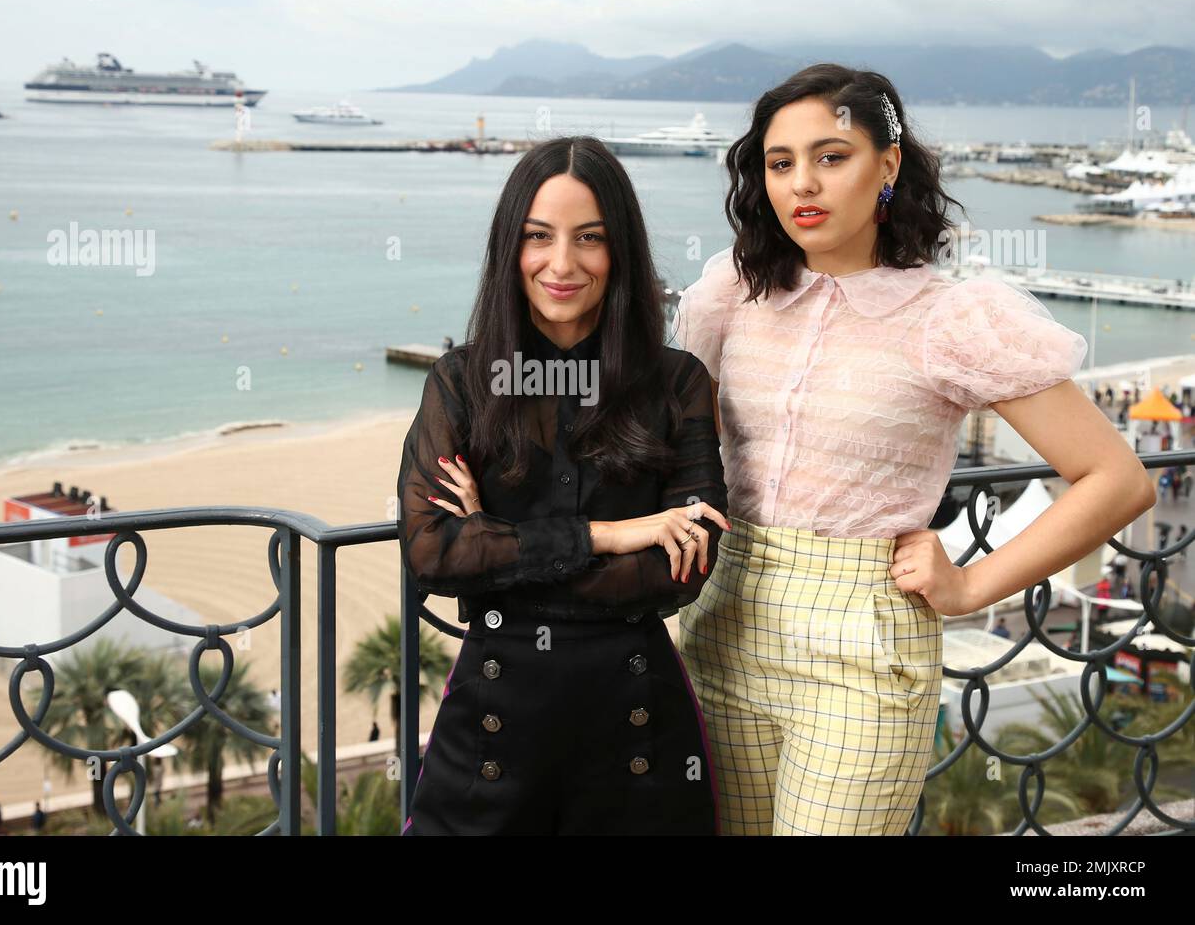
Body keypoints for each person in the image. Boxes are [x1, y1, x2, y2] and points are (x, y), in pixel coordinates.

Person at [675, 62, 1157, 835]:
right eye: (781, 162)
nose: (804, 183)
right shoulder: (732, 297)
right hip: (721, 620)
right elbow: (681, 451)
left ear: (888, 165)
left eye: (832, 157)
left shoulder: (950, 319)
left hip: (861, 643)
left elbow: (1116, 478)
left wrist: (971, 588)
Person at [397, 136, 729, 835]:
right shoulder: (460, 381)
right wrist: (612, 535)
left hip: (638, 730)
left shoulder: (677, 383)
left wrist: (495, 548)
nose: (562, 263)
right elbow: (430, 554)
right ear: (509, 249)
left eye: (590, 239)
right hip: (488, 730)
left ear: (622, 254)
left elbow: (681, 574)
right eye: (538, 237)